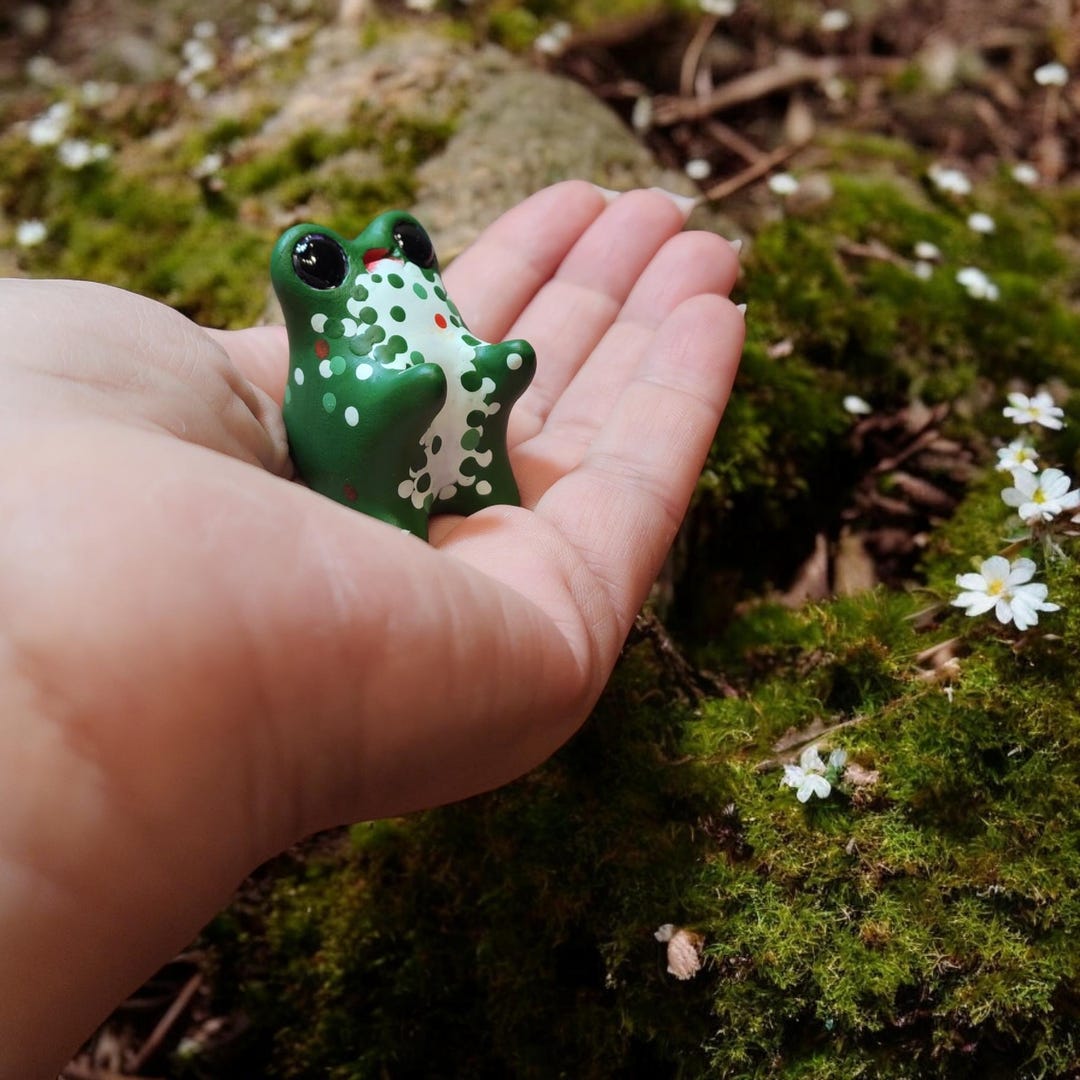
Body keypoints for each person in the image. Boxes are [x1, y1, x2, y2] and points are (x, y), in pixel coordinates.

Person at [0, 181, 743, 1076]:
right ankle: (405, 493)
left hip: (459, 429)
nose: (389, 260)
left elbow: (481, 370)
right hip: (367, 443)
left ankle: (466, 481)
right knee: (408, 400)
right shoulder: (331, 333)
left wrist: (484, 374)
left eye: (410, 247)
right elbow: (379, 390)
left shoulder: (417, 291)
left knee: (463, 391)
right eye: (332, 259)